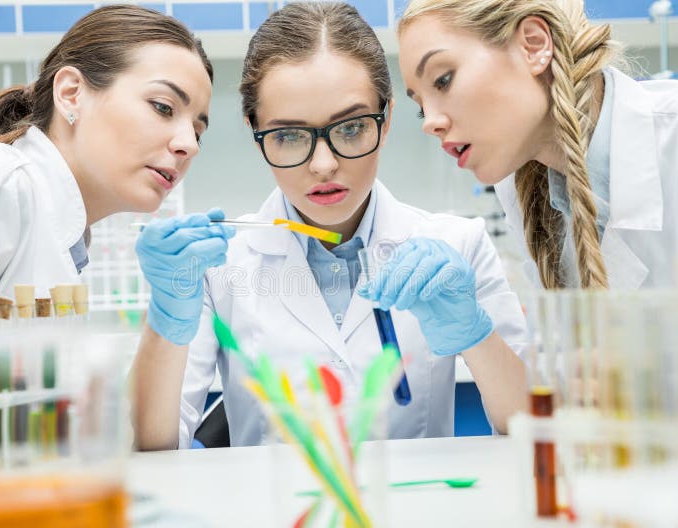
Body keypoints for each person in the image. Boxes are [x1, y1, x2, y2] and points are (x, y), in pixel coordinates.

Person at [131, 1, 529, 451]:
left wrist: (476, 336)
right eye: (287, 136)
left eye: (351, 128)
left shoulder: (459, 245)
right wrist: (163, 322)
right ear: (255, 133)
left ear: (386, 119)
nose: (323, 164)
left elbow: (533, 428)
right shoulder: (216, 266)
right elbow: (152, 447)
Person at [397, 0, 678, 290]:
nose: (430, 123)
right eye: (421, 107)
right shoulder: (520, 188)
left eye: (443, 80)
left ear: (533, 45)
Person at [0, 5, 223, 298]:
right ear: (70, 93)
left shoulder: (61, 231)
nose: (190, 145)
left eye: (198, 132)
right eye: (163, 107)